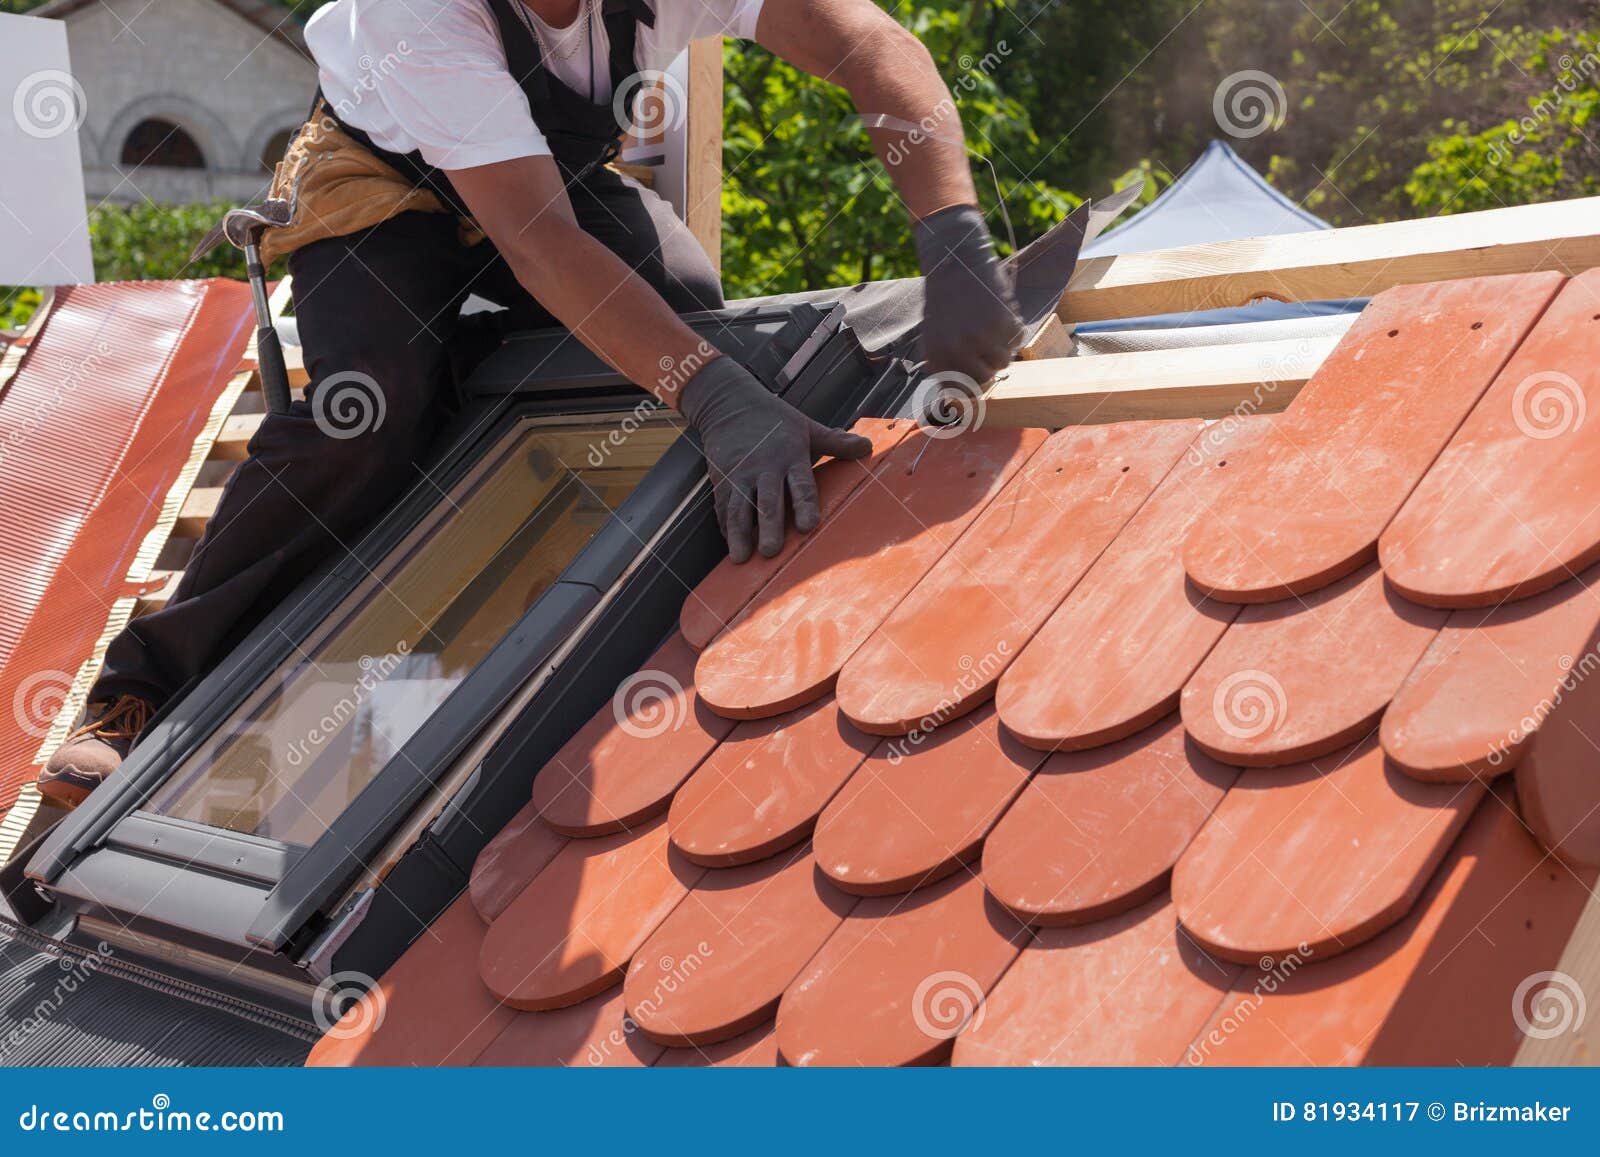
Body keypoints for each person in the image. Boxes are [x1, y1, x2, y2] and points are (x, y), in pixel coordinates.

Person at [37, 0, 1023, 807]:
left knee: (685, 314)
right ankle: (140, 688)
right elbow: (539, 241)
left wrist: (950, 234)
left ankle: (560, 605)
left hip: (540, 177)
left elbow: (866, 43)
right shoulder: (417, 14)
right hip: (386, 184)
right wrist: (716, 396)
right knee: (366, 406)